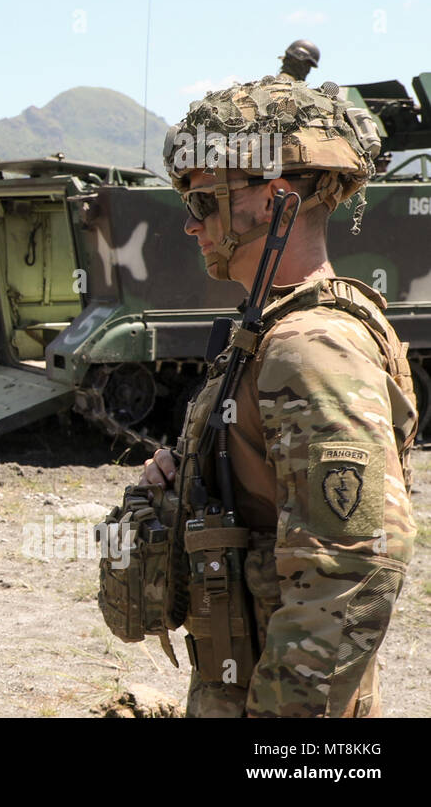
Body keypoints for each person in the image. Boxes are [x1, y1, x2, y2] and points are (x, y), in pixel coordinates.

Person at [136, 76, 416, 716]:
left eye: (206, 201)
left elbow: (352, 569)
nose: (190, 225)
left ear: (276, 198)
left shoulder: (310, 347)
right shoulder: (269, 331)